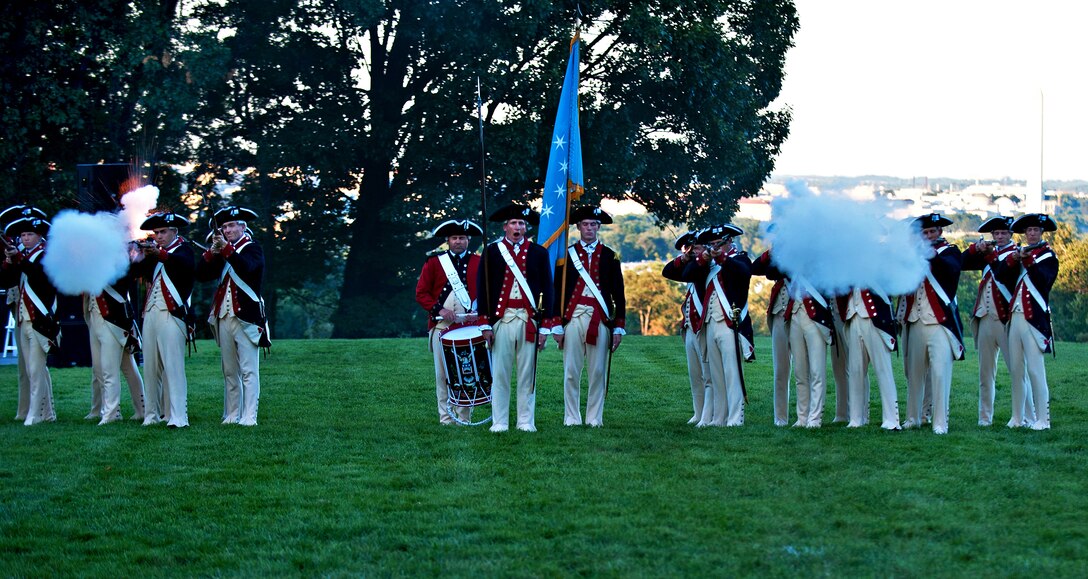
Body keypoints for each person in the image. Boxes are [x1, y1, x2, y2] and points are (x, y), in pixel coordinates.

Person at [476, 203, 554, 433]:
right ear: (505, 227)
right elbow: (482, 287)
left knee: (527, 374)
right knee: (500, 373)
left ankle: (525, 421)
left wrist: (546, 326)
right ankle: (499, 421)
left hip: (529, 320)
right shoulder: (491, 251)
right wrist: (484, 322)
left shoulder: (539, 253)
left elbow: (548, 290)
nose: (518, 227)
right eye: (513, 223)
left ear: (525, 227)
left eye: (521, 223)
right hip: (501, 319)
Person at [551, 206, 626, 427]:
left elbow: (618, 293)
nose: (590, 228)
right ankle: (571, 417)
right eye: (585, 224)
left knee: (598, 371)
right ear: (578, 227)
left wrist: (618, 326)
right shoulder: (566, 255)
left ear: (598, 227)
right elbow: (557, 291)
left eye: (593, 224)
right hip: (573, 318)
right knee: (571, 372)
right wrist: (556, 323)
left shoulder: (610, 255)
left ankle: (595, 418)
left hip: (600, 319)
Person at [196, 206, 270, 426]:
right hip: (223, 315)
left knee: (248, 370)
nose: (227, 230)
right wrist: (212, 253)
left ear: (242, 226)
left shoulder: (252, 248)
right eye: (225, 226)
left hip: (246, 316)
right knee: (229, 370)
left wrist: (227, 250)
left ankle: (249, 416)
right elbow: (200, 275)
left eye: (231, 225)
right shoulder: (223, 251)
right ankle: (231, 414)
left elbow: (248, 268)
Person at [681, 224, 753, 427]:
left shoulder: (740, 258)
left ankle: (735, 417)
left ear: (729, 242)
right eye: (711, 244)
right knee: (716, 374)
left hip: (730, 322)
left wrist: (721, 258)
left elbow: (743, 272)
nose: (715, 247)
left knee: (732, 372)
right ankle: (719, 417)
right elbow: (686, 274)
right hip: (710, 322)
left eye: (718, 243)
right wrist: (703, 258)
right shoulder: (707, 265)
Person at [992, 213, 1059, 430]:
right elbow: (1000, 275)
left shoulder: (1048, 256)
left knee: (1036, 371)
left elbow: (1043, 280)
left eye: (1035, 230)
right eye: (1029, 230)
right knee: (1017, 370)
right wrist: (1014, 259)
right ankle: (1018, 417)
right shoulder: (1018, 255)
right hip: (1016, 317)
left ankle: (1043, 419)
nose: (1032, 234)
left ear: (1041, 233)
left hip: (1034, 319)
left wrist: (1027, 260)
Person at [900, 213, 964, 434]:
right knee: (914, 374)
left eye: (931, 232)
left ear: (940, 232)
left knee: (939, 374)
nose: (928, 236)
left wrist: (927, 253)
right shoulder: (912, 256)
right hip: (916, 320)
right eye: (924, 233)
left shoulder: (950, 252)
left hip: (939, 322)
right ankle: (913, 418)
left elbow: (949, 269)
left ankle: (940, 422)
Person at [961, 216, 1028, 426]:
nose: (999, 237)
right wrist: (976, 249)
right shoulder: (990, 253)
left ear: (1011, 235)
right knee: (985, 373)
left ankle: (1024, 415)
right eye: (996, 234)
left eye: (1003, 233)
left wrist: (989, 255)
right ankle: (984, 418)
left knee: (1017, 370)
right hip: (984, 318)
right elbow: (961, 263)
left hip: (1006, 319)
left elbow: (1004, 275)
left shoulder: (1017, 255)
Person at [414, 218, 482, 425]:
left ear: (468, 239)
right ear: (448, 240)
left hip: (469, 327)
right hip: (442, 327)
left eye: (462, 237)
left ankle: (464, 417)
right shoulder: (434, 262)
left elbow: (488, 293)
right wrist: (439, 309)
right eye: (454, 238)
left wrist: (479, 314)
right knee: (442, 374)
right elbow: (422, 293)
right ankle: (446, 418)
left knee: (466, 373)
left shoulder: (479, 262)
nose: (458, 241)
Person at [131, 212, 196, 428]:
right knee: (150, 367)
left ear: (174, 232)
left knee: (173, 367)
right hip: (151, 313)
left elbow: (183, 266)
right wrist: (136, 254)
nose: (159, 236)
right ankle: (151, 414)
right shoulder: (154, 254)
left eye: (163, 232)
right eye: (156, 232)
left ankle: (178, 416)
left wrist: (158, 253)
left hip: (173, 313)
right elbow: (134, 272)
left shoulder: (183, 250)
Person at [1, 215, 59, 426]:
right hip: (24, 317)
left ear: (39, 236)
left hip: (40, 317)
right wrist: (9, 261)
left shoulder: (46, 255)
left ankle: (34, 415)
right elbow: (6, 281)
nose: (25, 238)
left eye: (29, 234)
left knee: (35, 368)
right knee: (33, 368)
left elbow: (39, 276)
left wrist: (18, 259)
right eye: (23, 235)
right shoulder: (23, 257)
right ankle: (47, 412)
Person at [662, 231, 711, 424]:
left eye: (697, 247)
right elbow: (667, 271)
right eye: (690, 249)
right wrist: (684, 258)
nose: (694, 252)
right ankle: (698, 412)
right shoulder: (692, 265)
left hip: (704, 324)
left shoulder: (706, 266)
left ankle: (708, 414)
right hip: (690, 326)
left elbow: (694, 273)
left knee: (708, 375)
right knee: (695, 376)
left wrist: (698, 258)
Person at [84, 272, 145, 425]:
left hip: (113, 319)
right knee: (100, 369)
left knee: (112, 370)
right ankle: (128, 410)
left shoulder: (118, 254)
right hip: (95, 316)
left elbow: (122, 279)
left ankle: (113, 413)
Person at [839, 287, 901, 430]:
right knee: (855, 371)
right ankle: (856, 418)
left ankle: (892, 419)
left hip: (876, 317)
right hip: (853, 315)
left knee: (883, 370)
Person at [750, 249, 793, 426]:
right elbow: (757, 268)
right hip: (778, 312)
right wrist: (772, 252)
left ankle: (808, 416)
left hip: (802, 312)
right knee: (780, 370)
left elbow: (773, 272)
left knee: (806, 371)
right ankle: (780, 417)